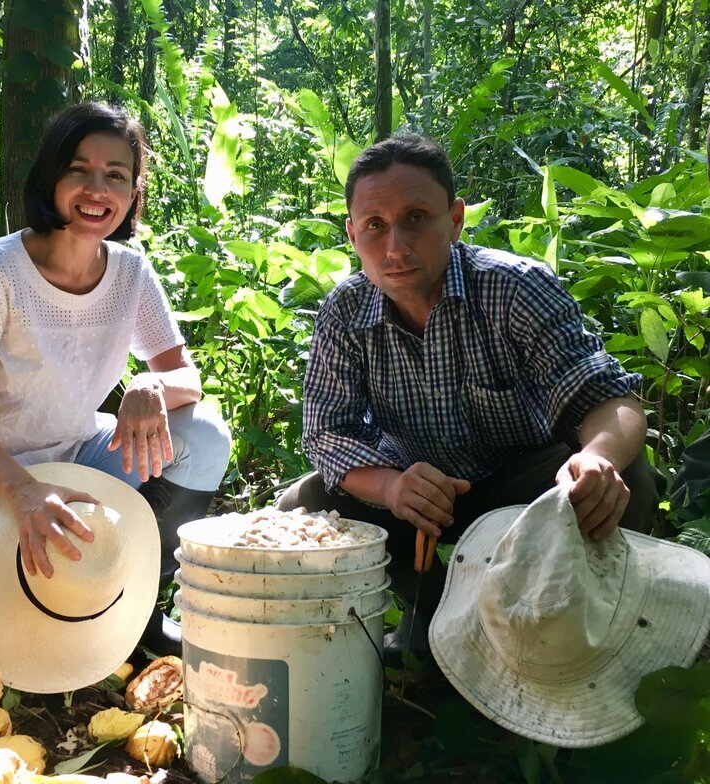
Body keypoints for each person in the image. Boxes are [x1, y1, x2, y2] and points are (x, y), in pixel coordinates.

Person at [277, 132, 660, 638]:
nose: (396, 247)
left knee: (625, 475)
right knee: (303, 504)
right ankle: (432, 607)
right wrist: (391, 486)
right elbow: (327, 434)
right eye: (375, 226)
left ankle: (570, 619)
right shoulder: (346, 311)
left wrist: (598, 458)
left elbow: (609, 398)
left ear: (454, 220)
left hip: (526, 490)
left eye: (416, 218)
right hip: (417, 495)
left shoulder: (515, 287)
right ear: (353, 235)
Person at [0, 102, 231, 590]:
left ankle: (143, 594)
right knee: (59, 573)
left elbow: (187, 379)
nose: (97, 190)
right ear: (50, 178)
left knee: (205, 435)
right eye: (79, 170)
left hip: (77, 453)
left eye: (116, 175)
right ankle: (86, 581)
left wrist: (150, 384)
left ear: (132, 191)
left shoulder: (131, 273)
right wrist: (23, 490)